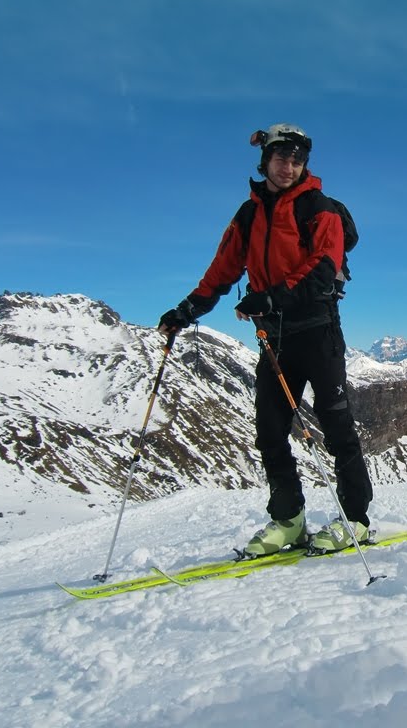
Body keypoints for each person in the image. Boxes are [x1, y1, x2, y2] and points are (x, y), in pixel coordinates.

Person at [158, 123, 373, 556]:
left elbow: (323, 269)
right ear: (266, 160)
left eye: (297, 159)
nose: (289, 166)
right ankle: (289, 520)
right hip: (275, 339)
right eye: (281, 158)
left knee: (336, 425)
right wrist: (186, 311)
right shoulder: (249, 214)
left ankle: (356, 519)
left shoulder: (320, 208)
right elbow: (222, 271)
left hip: (318, 331)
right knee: (270, 430)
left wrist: (271, 298)